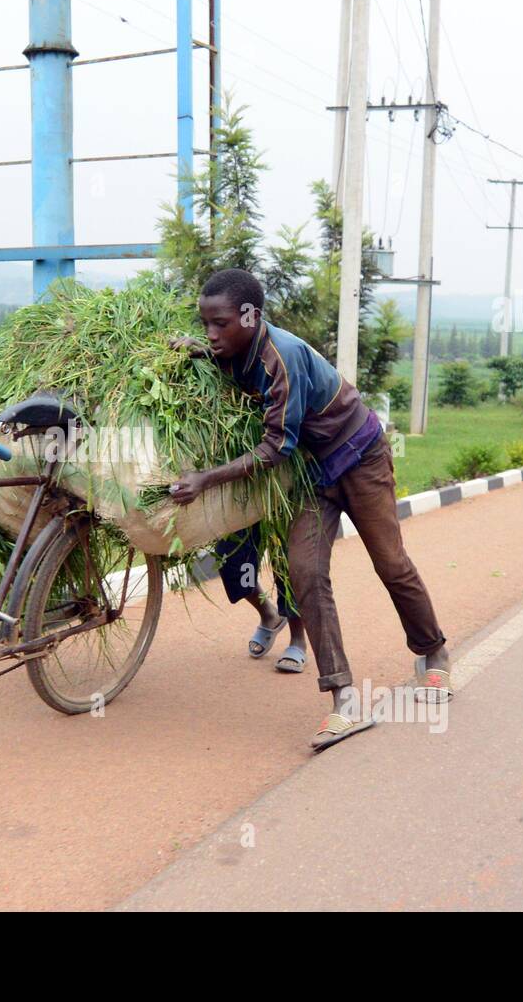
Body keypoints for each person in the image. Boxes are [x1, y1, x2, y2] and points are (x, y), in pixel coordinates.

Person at [169, 268, 450, 753]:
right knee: (304, 573)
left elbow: (275, 445)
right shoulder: (230, 349)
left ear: (250, 316)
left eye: (219, 324)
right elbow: (220, 361)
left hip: (360, 456)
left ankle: (434, 650)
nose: (211, 334)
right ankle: (344, 699)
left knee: (389, 561)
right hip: (312, 474)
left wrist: (206, 479)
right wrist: (192, 348)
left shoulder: (284, 357)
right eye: (205, 325)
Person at [214, 524, 309, 673]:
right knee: (231, 557)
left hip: (282, 503)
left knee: (285, 557)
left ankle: (298, 640)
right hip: (242, 503)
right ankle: (269, 614)